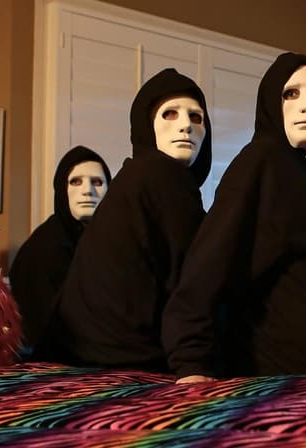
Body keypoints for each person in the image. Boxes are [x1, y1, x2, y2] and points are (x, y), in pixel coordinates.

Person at [162, 52, 306, 382]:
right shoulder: (261, 162)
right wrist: (192, 363)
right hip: (296, 372)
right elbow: (208, 264)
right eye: (291, 93)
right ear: (271, 104)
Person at [45, 68, 212, 370]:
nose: (185, 125)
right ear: (147, 125)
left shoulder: (134, 176)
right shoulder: (161, 175)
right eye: (170, 114)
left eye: (196, 117)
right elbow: (192, 283)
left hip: (80, 351)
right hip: (121, 358)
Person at [9, 145, 111, 357]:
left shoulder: (105, 239)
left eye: (97, 182)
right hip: (56, 354)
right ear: (61, 188)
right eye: (76, 181)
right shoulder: (46, 247)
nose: (87, 191)